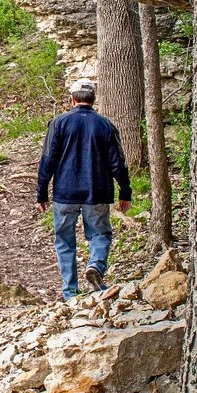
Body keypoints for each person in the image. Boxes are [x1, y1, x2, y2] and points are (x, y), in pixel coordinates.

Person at [36, 77, 132, 300]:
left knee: (64, 241)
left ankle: (70, 292)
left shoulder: (58, 123)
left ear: (72, 100)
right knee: (100, 234)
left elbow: (47, 160)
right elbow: (118, 162)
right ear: (94, 99)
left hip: (64, 194)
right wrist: (125, 192)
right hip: (97, 192)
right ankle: (96, 266)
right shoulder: (105, 125)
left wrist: (41, 192)